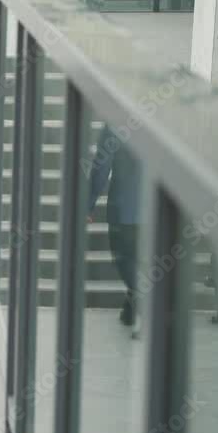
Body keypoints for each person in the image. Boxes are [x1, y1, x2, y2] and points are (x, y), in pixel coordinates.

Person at [88, 123, 143, 327]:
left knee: (124, 258)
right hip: (156, 209)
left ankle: (139, 299)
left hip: (124, 209)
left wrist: (88, 204)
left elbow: (101, 168)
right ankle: (131, 309)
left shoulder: (114, 125)